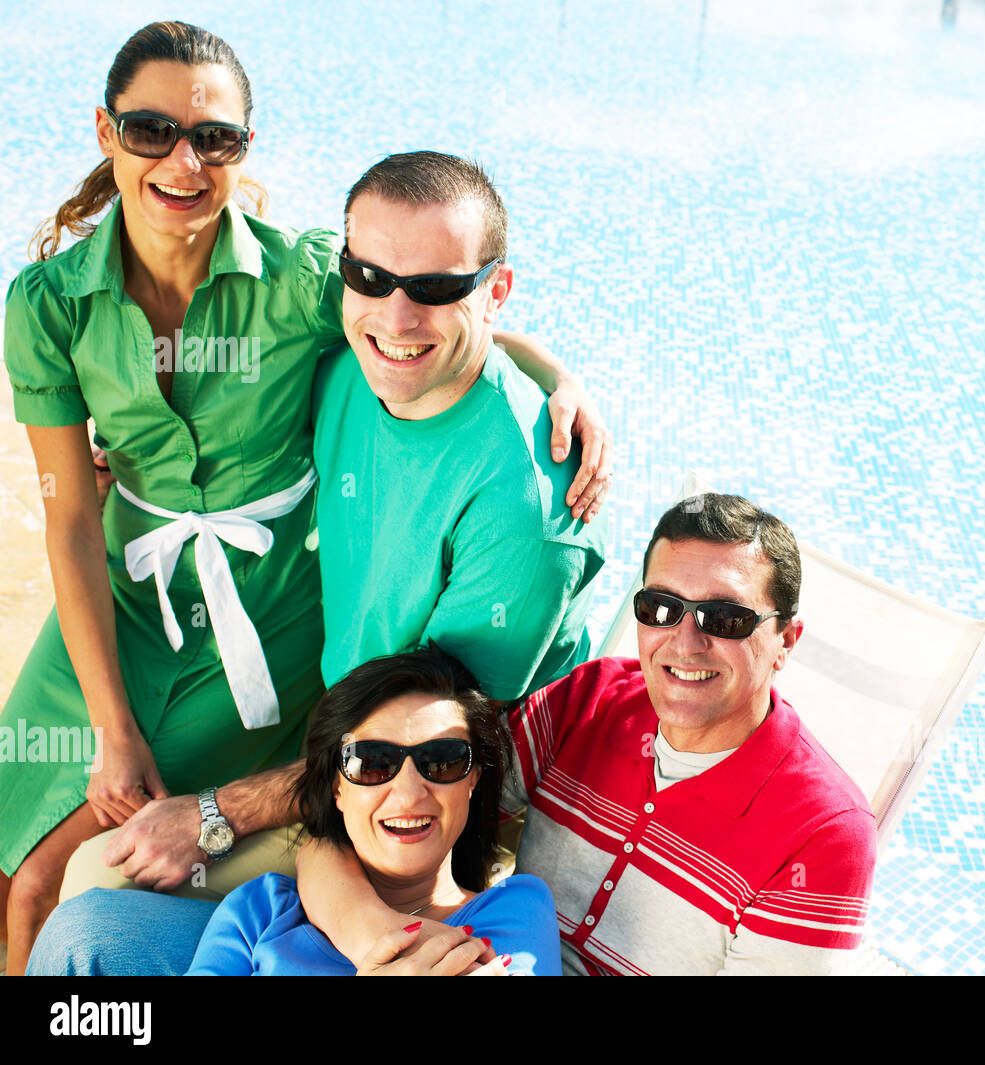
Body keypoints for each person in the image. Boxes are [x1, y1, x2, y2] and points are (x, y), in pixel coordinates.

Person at [0, 21, 608, 976]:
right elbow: (71, 514)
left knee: (57, 884)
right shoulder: (58, 306)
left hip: (312, 686)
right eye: (150, 129)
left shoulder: (306, 286)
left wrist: (560, 379)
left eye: (216, 138)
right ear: (106, 132)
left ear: (246, 148)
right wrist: (113, 723)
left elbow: (424, 317)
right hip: (135, 605)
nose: (184, 160)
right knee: (17, 862)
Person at [300, 494, 876, 975]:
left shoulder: (824, 836)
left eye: (725, 620)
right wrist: (374, 938)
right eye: (662, 607)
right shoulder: (592, 700)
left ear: (786, 641)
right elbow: (392, 812)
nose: (685, 643)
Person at [38, 645, 562, 976]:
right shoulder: (259, 909)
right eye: (373, 762)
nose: (408, 793)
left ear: (473, 779)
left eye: (443, 760)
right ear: (335, 788)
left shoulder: (515, 910)